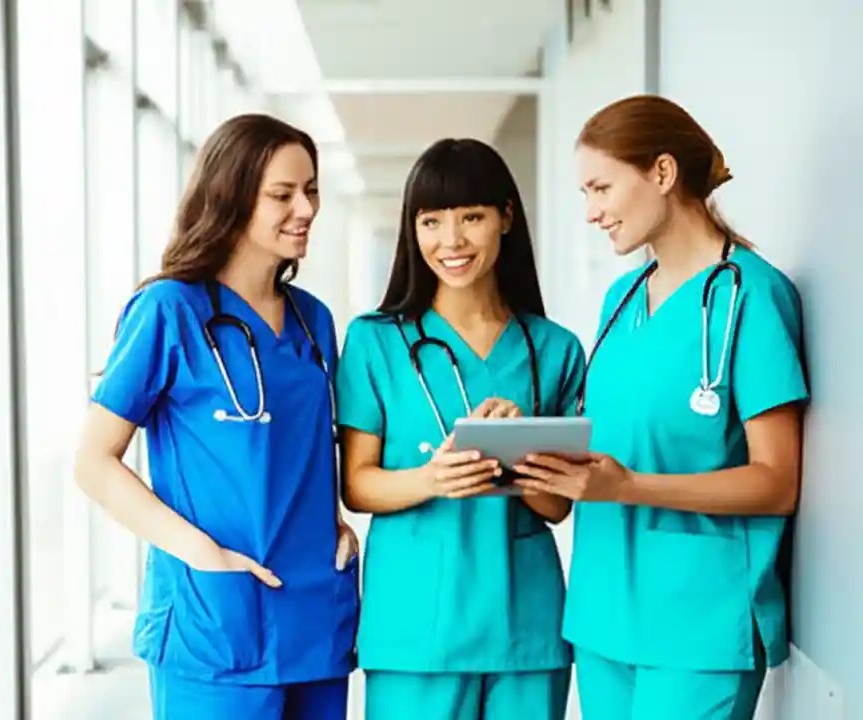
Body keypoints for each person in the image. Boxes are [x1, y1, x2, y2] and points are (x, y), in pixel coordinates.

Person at [514, 94, 809, 719]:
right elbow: (617, 441)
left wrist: (629, 487)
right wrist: (532, 446)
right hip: (603, 615)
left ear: (663, 174)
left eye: (600, 188)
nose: (591, 212)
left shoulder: (749, 296)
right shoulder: (620, 301)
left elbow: (777, 481)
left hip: (699, 620)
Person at [73, 113, 360, 720]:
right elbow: (94, 463)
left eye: (311, 190)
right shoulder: (167, 311)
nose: (305, 208)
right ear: (230, 198)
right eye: (282, 194)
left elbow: (307, 443)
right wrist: (200, 553)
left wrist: (333, 521)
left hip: (312, 611)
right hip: (215, 615)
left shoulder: (314, 320)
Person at [335, 138, 585, 720]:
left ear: (506, 217)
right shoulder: (377, 341)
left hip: (524, 623)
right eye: (432, 221)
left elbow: (555, 508)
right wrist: (431, 478)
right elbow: (357, 485)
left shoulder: (553, 349)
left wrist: (524, 450)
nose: (452, 240)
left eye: (471, 216)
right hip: (416, 627)